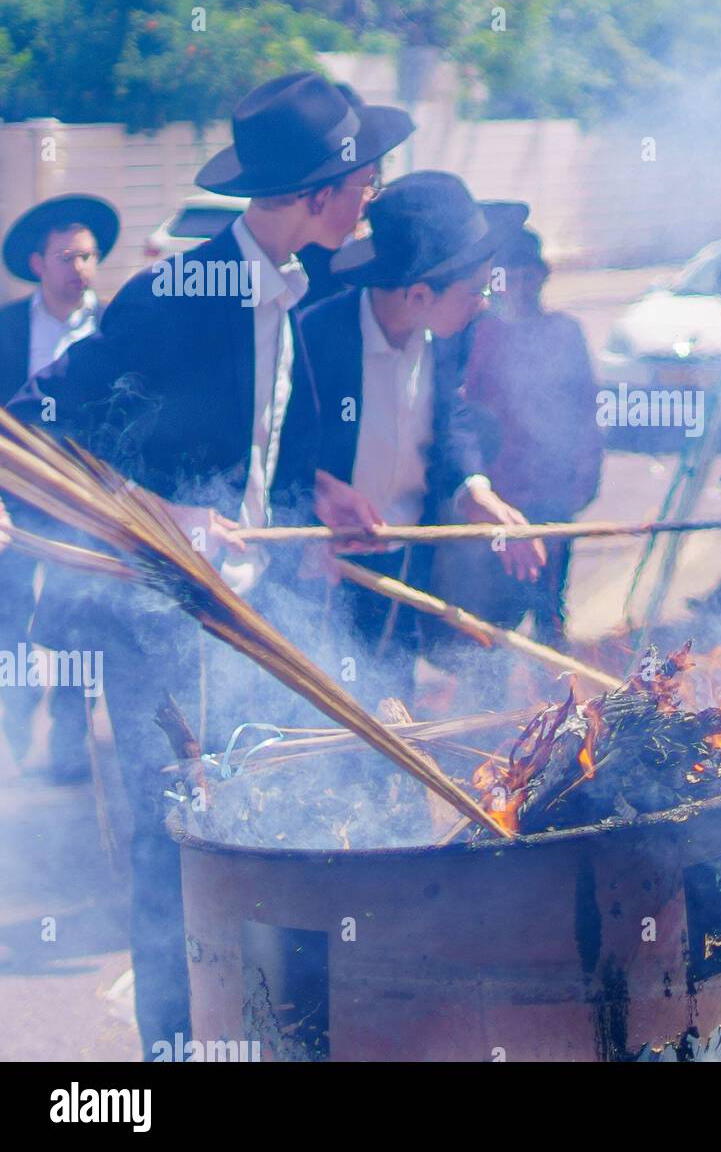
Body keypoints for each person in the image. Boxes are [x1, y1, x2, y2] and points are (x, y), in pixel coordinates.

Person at [7, 69, 413, 1057]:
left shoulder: (304, 279)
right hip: (155, 621)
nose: (373, 192)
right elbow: (33, 423)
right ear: (320, 192)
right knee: (174, 844)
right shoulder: (171, 296)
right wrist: (166, 513)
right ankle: (172, 1052)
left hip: (247, 606)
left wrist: (318, 497)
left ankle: (271, 1037)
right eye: (364, 177)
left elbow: (261, 438)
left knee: (271, 821)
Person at [289, 171, 546, 682]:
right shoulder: (314, 339)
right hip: (323, 571)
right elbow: (276, 455)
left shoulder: (447, 337)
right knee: (320, 714)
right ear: (418, 296)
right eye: (473, 292)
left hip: (405, 563)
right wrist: (308, 506)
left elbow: (449, 424)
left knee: (392, 703)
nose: (485, 303)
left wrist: (477, 491)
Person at [0, 195, 119, 779]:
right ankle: (16, 719)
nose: (80, 269)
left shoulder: (116, 327)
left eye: (89, 256)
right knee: (9, 615)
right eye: (67, 257)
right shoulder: (5, 330)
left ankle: (72, 741)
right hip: (15, 498)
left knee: (84, 618)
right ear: (38, 263)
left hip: (90, 503)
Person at [460, 227, 601, 646]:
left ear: (542, 276)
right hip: (504, 492)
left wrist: (588, 470)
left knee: (550, 605)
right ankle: (494, 701)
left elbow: (586, 406)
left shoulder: (565, 331)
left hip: (554, 486)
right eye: (511, 277)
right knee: (497, 611)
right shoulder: (483, 333)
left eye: (528, 276)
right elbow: (467, 411)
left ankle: (557, 703)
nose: (521, 287)